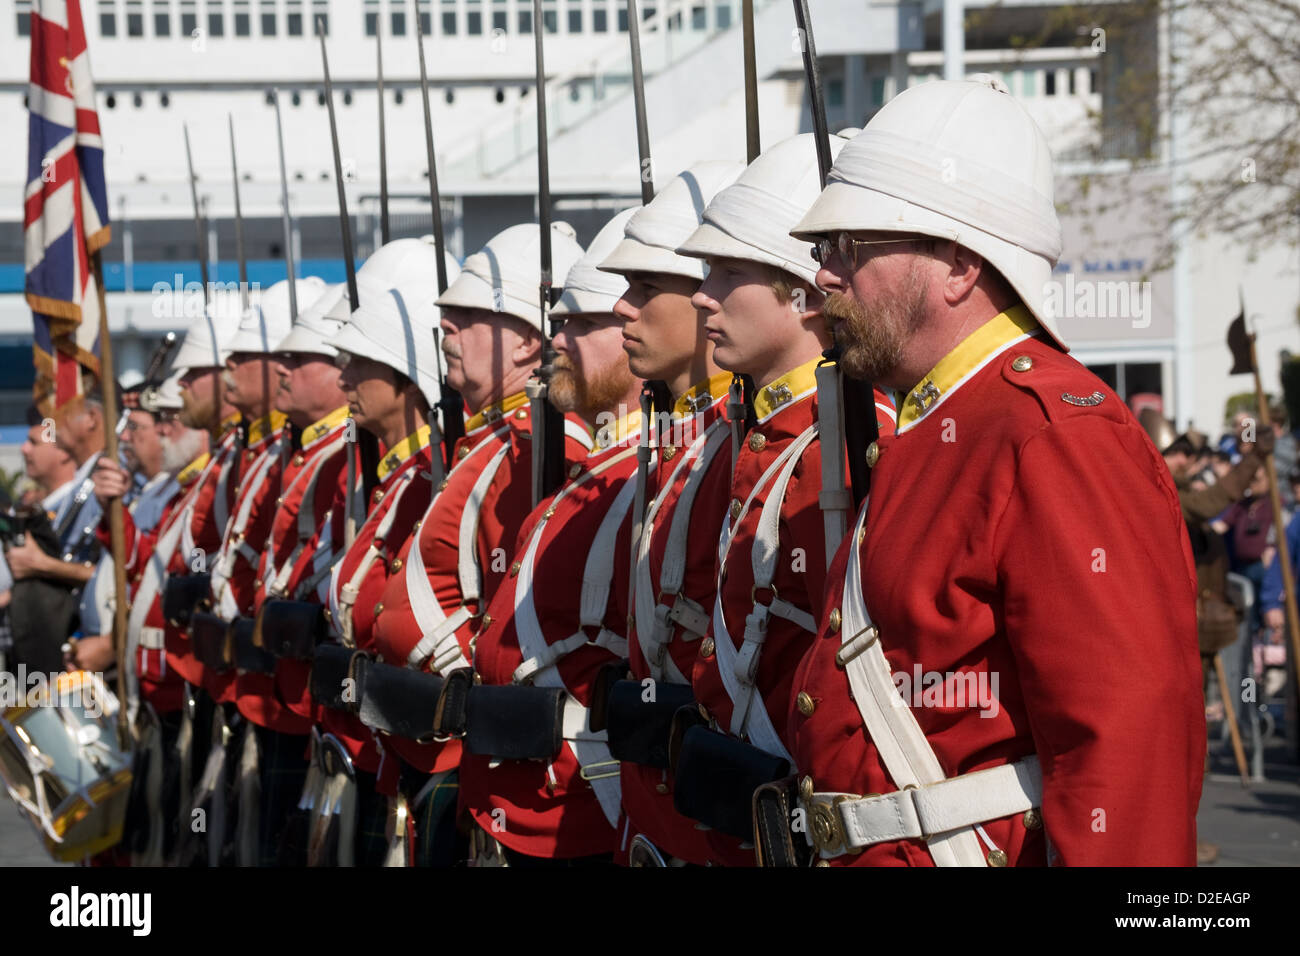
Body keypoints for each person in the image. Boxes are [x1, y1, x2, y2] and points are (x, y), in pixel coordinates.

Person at [779, 76, 1204, 866]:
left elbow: (1125, 741)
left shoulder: (1053, 433)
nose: (825, 277)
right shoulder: (936, 420)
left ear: (958, 267)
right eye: (821, 251)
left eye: (850, 248)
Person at [366, 223, 586, 866]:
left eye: (468, 316)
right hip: (435, 746)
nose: (447, 329)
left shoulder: (542, 452)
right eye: (445, 316)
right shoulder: (487, 445)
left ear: (526, 341)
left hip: (485, 758)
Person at [456, 220, 663, 867]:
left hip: (580, 807)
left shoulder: (648, 474)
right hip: (514, 797)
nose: (558, 339)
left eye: (579, 323)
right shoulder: (594, 469)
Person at [590, 163, 744, 866]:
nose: (622, 307)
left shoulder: (747, 448)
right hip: (651, 808)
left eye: (647, 287)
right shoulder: (683, 440)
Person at [303, 238, 450, 866]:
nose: (343, 378)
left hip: (409, 740)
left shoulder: (432, 481)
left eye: (361, 361)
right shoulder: (392, 477)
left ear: (405, 371)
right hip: (366, 736)